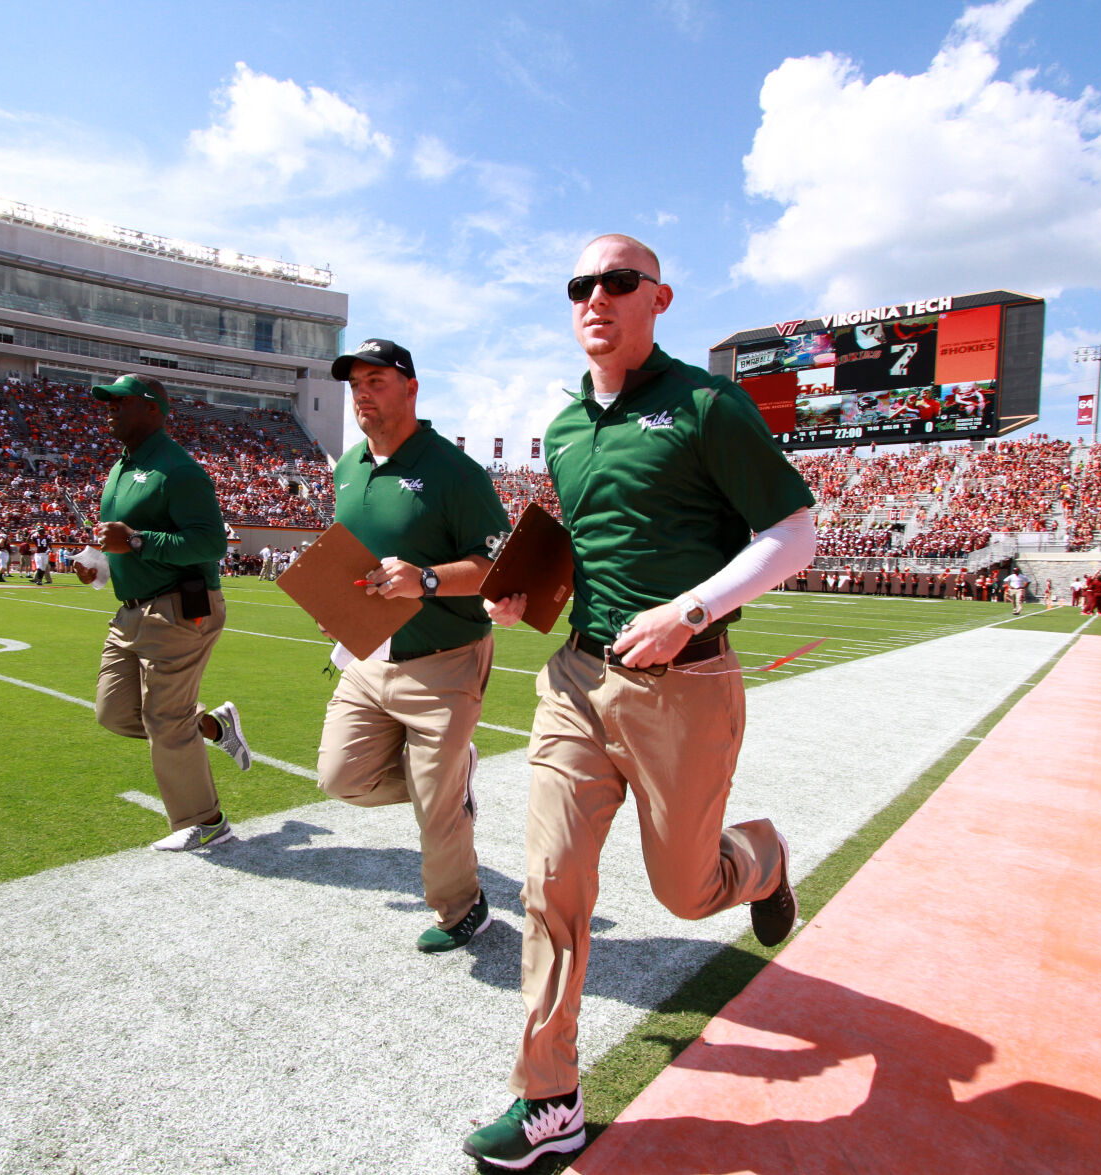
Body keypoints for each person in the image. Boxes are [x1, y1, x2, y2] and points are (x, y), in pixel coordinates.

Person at [464, 235, 816, 1169]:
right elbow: (585, 544)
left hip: (687, 682)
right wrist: (521, 591)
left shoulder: (706, 404)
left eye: (618, 282)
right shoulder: (568, 426)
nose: (595, 297)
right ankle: (548, 1099)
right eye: (580, 285)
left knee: (684, 889)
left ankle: (762, 857)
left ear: (658, 298)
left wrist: (690, 608)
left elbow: (794, 531)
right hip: (577, 680)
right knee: (551, 883)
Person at [315, 338, 512, 953]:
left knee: (436, 809)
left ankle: (462, 908)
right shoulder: (348, 467)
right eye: (355, 385)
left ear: (411, 388)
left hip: (445, 657)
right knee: (339, 778)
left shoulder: (455, 471)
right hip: (368, 655)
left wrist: (425, 581)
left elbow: (498, 567)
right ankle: (450, 777)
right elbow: (352, 554)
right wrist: (336, 606)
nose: (363, 395)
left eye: (377, 381)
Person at [81, 373, 253, 851]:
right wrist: (100, 565)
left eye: (121, 401)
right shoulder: (122, 467)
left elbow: (211, 542)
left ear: (153, 408)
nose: (110, 408)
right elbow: (116, 537)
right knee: (114, 713)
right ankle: (212, 726)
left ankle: (207, 823)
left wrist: (136, 541)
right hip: (130, 610)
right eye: (108, 402)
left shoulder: (178, 470)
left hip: (179, 608)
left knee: (163, 716)